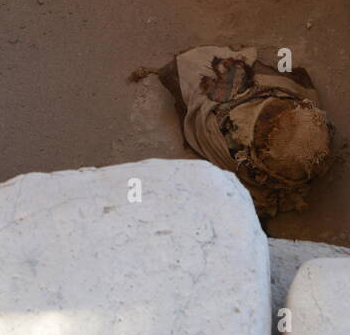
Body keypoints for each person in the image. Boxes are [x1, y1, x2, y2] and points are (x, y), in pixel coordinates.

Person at [133, 46, 332, 217]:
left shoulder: (222, 145)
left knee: (182, 73)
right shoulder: (297, 108)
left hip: (259, 132)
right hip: (271, 111)